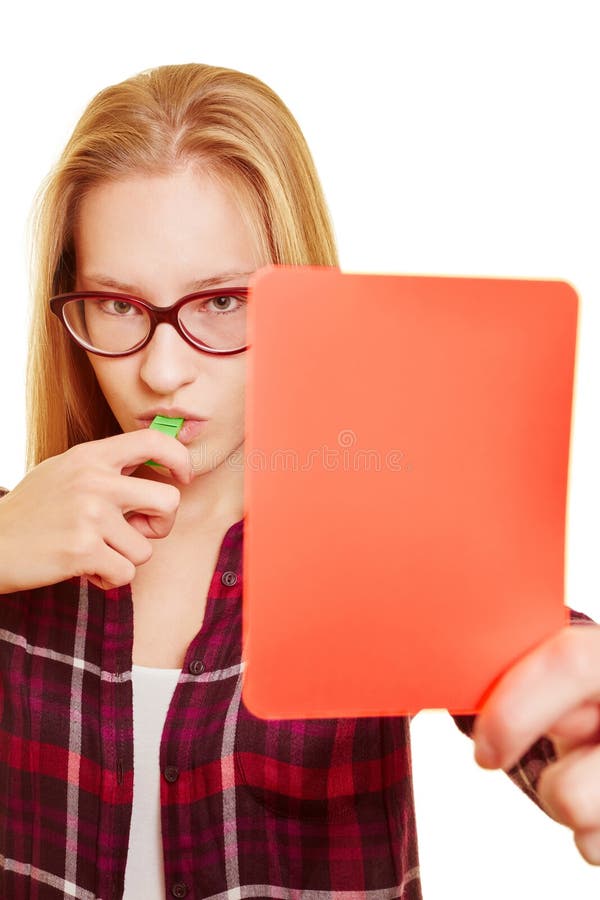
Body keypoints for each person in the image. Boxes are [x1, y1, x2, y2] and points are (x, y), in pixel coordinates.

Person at [0, 62, 598, 900]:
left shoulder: (383, 551)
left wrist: (585, 731)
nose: (164, 372)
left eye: (219, 303)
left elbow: (555, 684)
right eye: (119, 305)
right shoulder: (15, 546)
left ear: (300, 295)